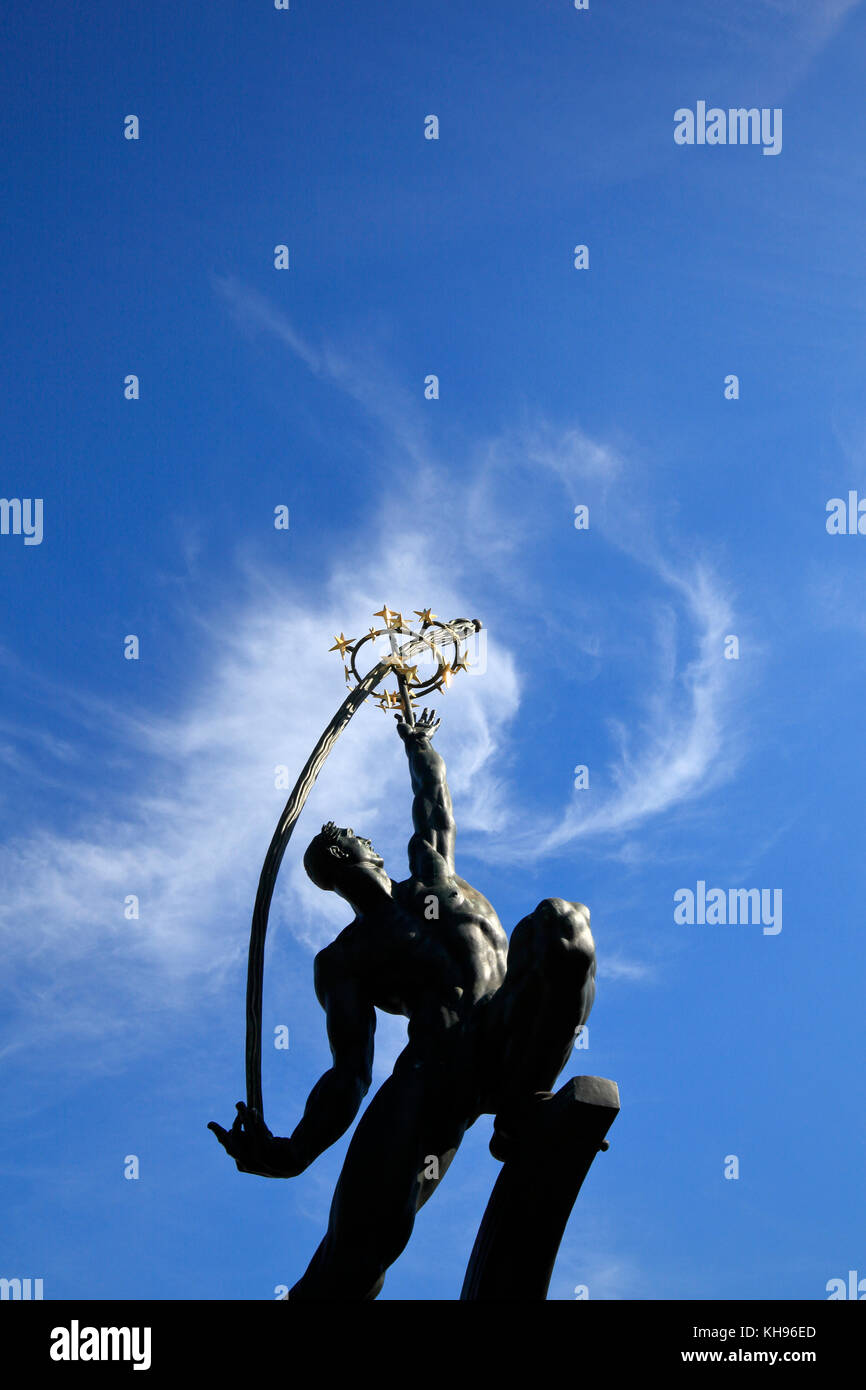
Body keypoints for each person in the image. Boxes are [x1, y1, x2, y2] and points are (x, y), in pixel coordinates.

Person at [210, 709, 596, 1299]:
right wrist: (292, 1152)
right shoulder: (344, 960)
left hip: (509, 1030)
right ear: (351, 859)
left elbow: (433, 796)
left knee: (561, 923)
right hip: (433, 1077)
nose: (360, 843)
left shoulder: (431, 871)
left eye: (351, 839)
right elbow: (348, 1076)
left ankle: (522, 1110)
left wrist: (418, 743)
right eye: (348, 843)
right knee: (356, 1245)